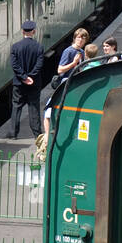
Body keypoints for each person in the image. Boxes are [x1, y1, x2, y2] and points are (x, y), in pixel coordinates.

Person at [38, 28, 89, 158]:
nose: (81, 40)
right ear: (74, 38)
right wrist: (73, 63)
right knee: (48, 111)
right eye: (79, 37)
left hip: (75, 84)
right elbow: (60, 70)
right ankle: (47, 138)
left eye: (83, 38)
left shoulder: (81, 52)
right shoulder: (69, 51)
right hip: (65, 83)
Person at [7, 18, 45, 139]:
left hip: (19, 83)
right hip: (34, 83)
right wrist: (30, 77)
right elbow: (39, 65)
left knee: (16, 107)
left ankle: (13, 133)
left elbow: (14, 65)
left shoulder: (15, 47)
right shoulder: (39, 47)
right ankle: (37, 133)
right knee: (34, 107)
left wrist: (23, 77)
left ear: (23, 31)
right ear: (33, 32)